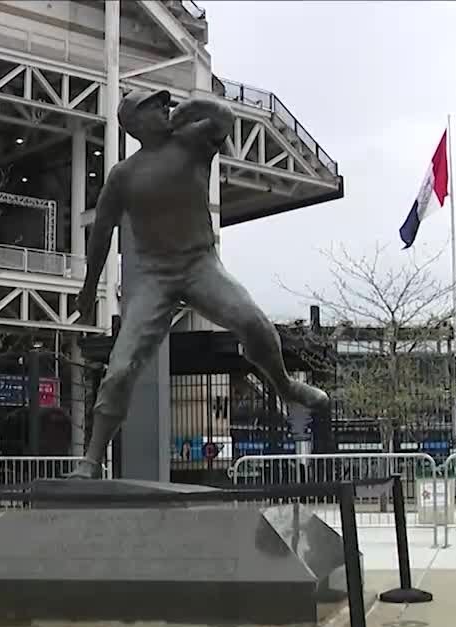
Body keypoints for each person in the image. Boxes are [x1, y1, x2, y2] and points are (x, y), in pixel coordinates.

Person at [67, 89, 329, 479]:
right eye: (155, 105)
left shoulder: (191, 143)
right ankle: (91, 459)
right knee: (119, 369)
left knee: (253, 322)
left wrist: (196, 106)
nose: (166, 108)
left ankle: (285, 385)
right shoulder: (123, 175)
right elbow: (101, 232)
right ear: (134, 122)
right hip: (155, 277)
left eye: (166, 104)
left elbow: (225, 119)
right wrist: (90, 287)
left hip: (199, 264)